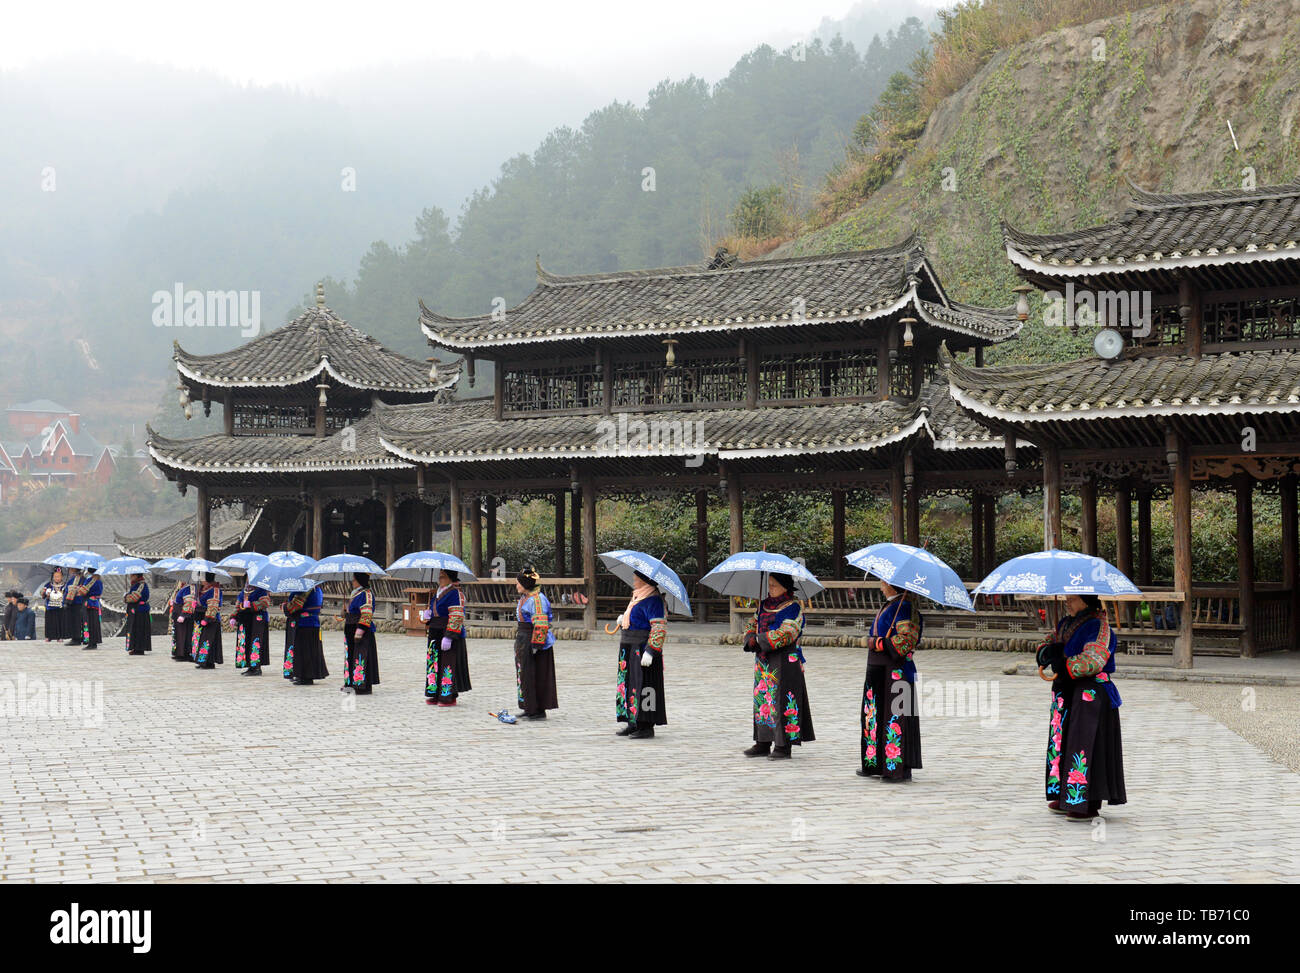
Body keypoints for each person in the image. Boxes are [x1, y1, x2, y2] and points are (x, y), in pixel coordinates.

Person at [1038, 594, 1126, 821]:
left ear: (1085, 600)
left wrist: (1063, 663)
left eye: (1072, 597)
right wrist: (1047, 652)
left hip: (1090, 692)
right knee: (1062, 741)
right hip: (1067, 690)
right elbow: (1047, 643)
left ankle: (1087, 802)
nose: (1067, 601)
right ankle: (1066, 796)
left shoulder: (1099, 627)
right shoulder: (1065, 623)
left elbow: (1093, 660)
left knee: (1084, 743)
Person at [743, 572, 814, 759]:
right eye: (769, 585)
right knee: (763, 701)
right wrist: (750, 636)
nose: (770, 589)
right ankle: (762, 741)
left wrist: (759, 639)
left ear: (785, 587)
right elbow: (752, 623)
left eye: (774, 585)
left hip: (785, 660)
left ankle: (783, 746)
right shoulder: (763, 606)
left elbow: (787, 633)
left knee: (782, 700)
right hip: (764, 661)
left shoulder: (793, 607)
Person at [859, 581, 922, 782]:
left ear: (893, 585)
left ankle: (897, 769)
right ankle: (875, 763)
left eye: (884, 582)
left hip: (896, 672)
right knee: (874, 716)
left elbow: (906, 641)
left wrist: (879, 642)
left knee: (895, 717)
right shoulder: (891, 605)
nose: (880, 586)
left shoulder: (906, 607)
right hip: (877, 670)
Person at [613, 570, 667, 739]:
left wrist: (651, 651)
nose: (634, 581)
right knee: (629, 683)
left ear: (645, 581)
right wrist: (625, 619)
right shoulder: (638, 596)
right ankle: (632, 721)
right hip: (629, 648)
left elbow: (659, 627)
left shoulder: (654, 600)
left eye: (637, 579)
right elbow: (636, 617)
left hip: (642, 649)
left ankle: (645, 725)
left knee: (644, 686)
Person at [514, 566, 558, 721]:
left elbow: (540, 624)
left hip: (534, 642)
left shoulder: (537, 599)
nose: (517, 585)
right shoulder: (526, 597)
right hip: (523, 639)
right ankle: (528, 706)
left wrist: (536, 645)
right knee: (524, 674)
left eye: (518, 582)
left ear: (525, 584)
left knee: (535, 675)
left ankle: (538, 710)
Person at [424, 569, 471, 706]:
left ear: (450, 578)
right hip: (435, 632)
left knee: (447, 663)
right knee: (434, 663)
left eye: (443, 577)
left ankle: (448, 696)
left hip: (448, 632)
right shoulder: (437, 592)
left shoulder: (455, 593)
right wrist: (428, 615)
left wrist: (449, 636)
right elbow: (435, 610)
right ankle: (434, 693)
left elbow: (457, 615)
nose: (440, 579)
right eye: (439, 577)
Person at [342, 573, 380, 695]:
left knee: (361, 656)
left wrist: (360, 631)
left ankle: (362, 685)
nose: (352, 582)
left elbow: (367, 614)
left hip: (361, 631)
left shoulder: (366, 594)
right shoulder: (355, 593)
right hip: (350, 628)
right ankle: (351, 683)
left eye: (354, 580)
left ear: (359, 580)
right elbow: (352, 610)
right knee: (351, 656)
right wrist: (345, 610)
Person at [282, 584, 328, 686]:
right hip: (312, 622)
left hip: (304, 623)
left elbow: (294, 607)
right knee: (310, 650)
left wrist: (285, 606)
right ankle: (306, 675)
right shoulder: (317, 589)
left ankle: (305, 676)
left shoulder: (305, 590)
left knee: (304, 651)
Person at [232, 577, 271, 676]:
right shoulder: (244, 591)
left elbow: (265, 603)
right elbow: (238, 604)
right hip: (246, 620)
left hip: (258, 620)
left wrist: (251, 605)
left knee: (255, 641)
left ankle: (256, 667)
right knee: (246, 641)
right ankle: (250, 666)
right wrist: (234, 616)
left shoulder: (262, 590)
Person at [192, 573, 223, 669]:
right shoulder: (201, 589)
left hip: (211, 619)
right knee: (204, 639)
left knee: (208, 640)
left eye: (203, 578)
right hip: (201, 617)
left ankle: (206, 662)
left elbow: (213, 605)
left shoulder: (215, 590)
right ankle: (206, 662)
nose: (201, 580)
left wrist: (207, 618)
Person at [123, 573, 151, 656]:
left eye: (132, 575)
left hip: (140, 611)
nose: (130, 577)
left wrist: (126, 596)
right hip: (136, 611)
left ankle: (139, 648)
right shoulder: (136, 585)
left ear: (137, 576)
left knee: (139, 630)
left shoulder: (141, 585)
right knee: (135, 630)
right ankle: (136, 648)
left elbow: (133, 598)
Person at [170, 579, 195, 661]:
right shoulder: (182, 587)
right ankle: (179, 653)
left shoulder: (189, 588)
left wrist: (183, 615)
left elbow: (189, 602)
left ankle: (184, 653)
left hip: (183, 614)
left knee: (184, 634)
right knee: (178, 634)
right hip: (177, 613)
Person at [40, 570, 65, 642]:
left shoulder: (64, 585)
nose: (57, 578)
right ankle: (49, 636)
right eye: (55, 576)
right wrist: (45, 594)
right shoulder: (48, 585)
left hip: (59, 606)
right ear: (53, 577)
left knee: (60, 622)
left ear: (61, 577)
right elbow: (42, 593)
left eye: (58, 576)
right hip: (50, 606)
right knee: (49, 622)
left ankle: (60, 636)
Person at [63, 569, 87, 646]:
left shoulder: (76, 580)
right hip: (79, 603)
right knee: (80, 621)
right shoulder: (83, 579)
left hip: (76, 603)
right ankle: (82, 637)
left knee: (75, 622)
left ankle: (76, 638)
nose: (69, 570)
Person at [83, 569, 104, 649]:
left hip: (90, 604)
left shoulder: (89, 580)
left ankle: (92, 643)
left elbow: (84, 591)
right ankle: (94, 641)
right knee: (95, 623)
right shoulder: (99, 580)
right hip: (96, 603)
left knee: (90, 623)